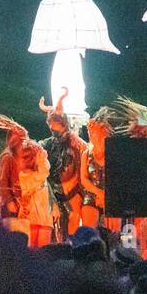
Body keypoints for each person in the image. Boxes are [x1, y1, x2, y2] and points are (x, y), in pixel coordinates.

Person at [39, 91, 95, 236]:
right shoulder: (46, 145)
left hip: (74, 190)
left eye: (57, 128)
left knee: (73, 216)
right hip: (51, 190)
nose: (55, 132)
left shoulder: (78, 145)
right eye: (52, 129)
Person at [0, 114, 54, 247]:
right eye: (21, 139)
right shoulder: (8, 157)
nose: (24, 142)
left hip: (33, 201)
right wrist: (9, 200)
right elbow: (3, 181)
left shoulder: (30, 157)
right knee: (21, 238)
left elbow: (44, 179)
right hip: (18, 201)